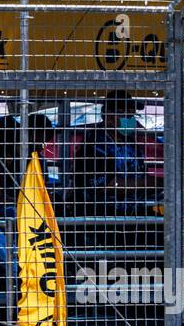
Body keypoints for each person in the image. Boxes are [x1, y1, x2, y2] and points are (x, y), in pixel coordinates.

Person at [67, 91, 163, 237]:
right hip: (100, 222)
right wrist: (150, 182)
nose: (130, 121)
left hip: (131, 218)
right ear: (108, 116)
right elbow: (105, 187)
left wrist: (153, 186)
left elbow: (138, 173)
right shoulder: (94, 144)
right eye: (126, 116)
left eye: (132, 116)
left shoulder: (130, 142)